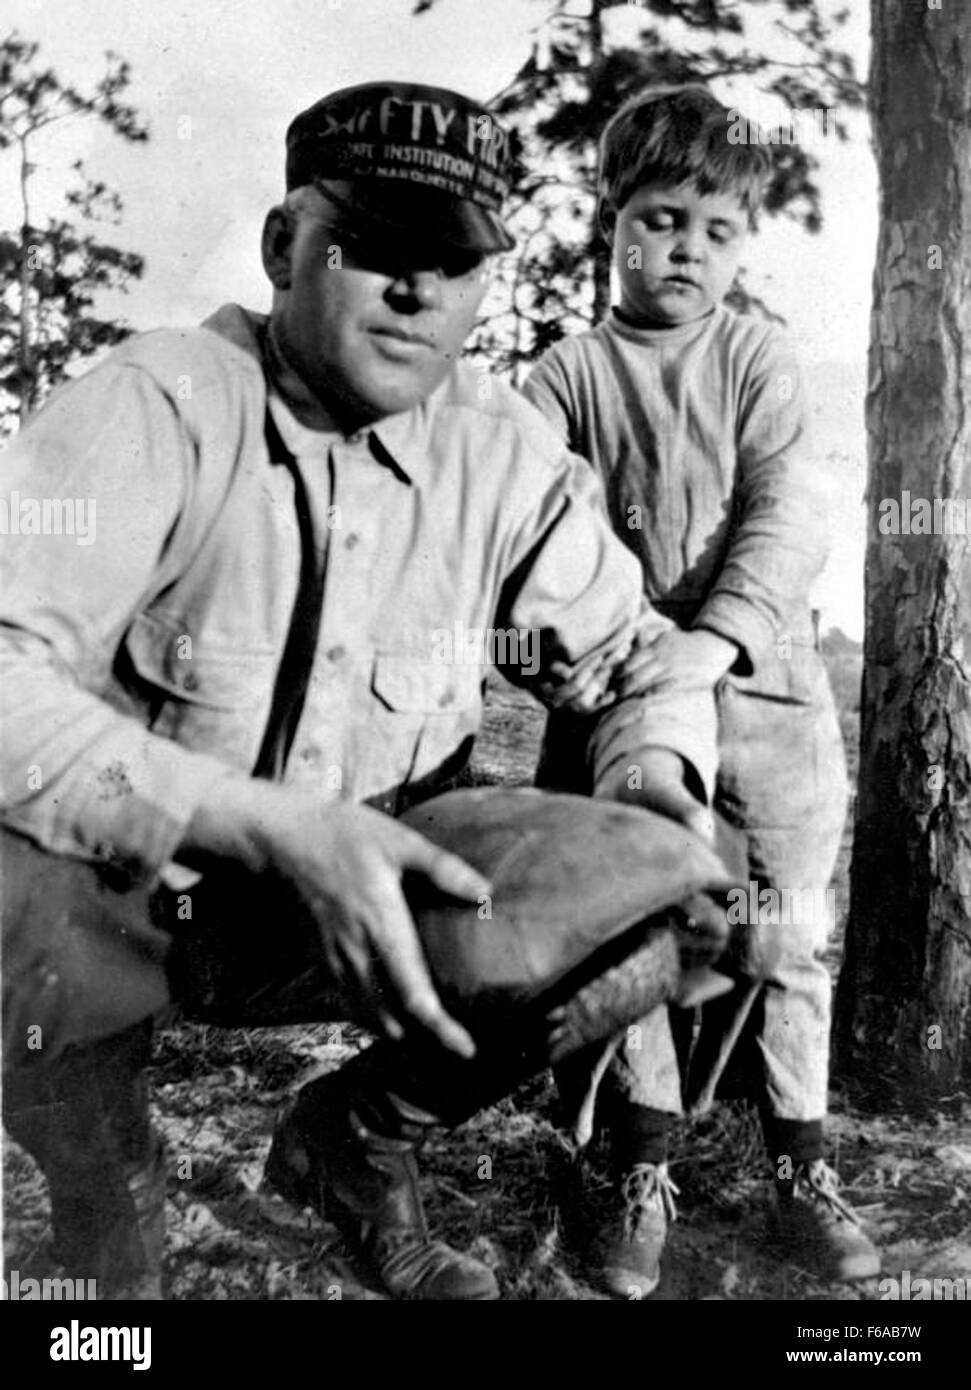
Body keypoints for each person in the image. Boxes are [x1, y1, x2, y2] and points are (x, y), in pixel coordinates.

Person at [0, 81, 721, 1302]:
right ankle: (99, 1166)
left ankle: (358, 1140)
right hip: (125, 900)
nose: (415, 291)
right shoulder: (156, 403)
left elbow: (645, 662)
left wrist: (652, 788)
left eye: (452, 262)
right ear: (285, 244)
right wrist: (274, 824)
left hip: (353, 911)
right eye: (374, 248)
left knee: (669, 900)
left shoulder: (500, 454)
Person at [523, 84, 880, 1297]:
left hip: (765, 679)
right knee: (633, 922)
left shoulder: (755, 355)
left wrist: (719, 636)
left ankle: (798, 1172)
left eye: (717, 230)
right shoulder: (562, 377)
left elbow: (788, 511)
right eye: (662, 217)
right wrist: (621, 647)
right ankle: (639, 1165)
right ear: (610, 216)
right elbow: (531, 535)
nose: (686, 248)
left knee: (785, 930)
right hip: (628, 679)